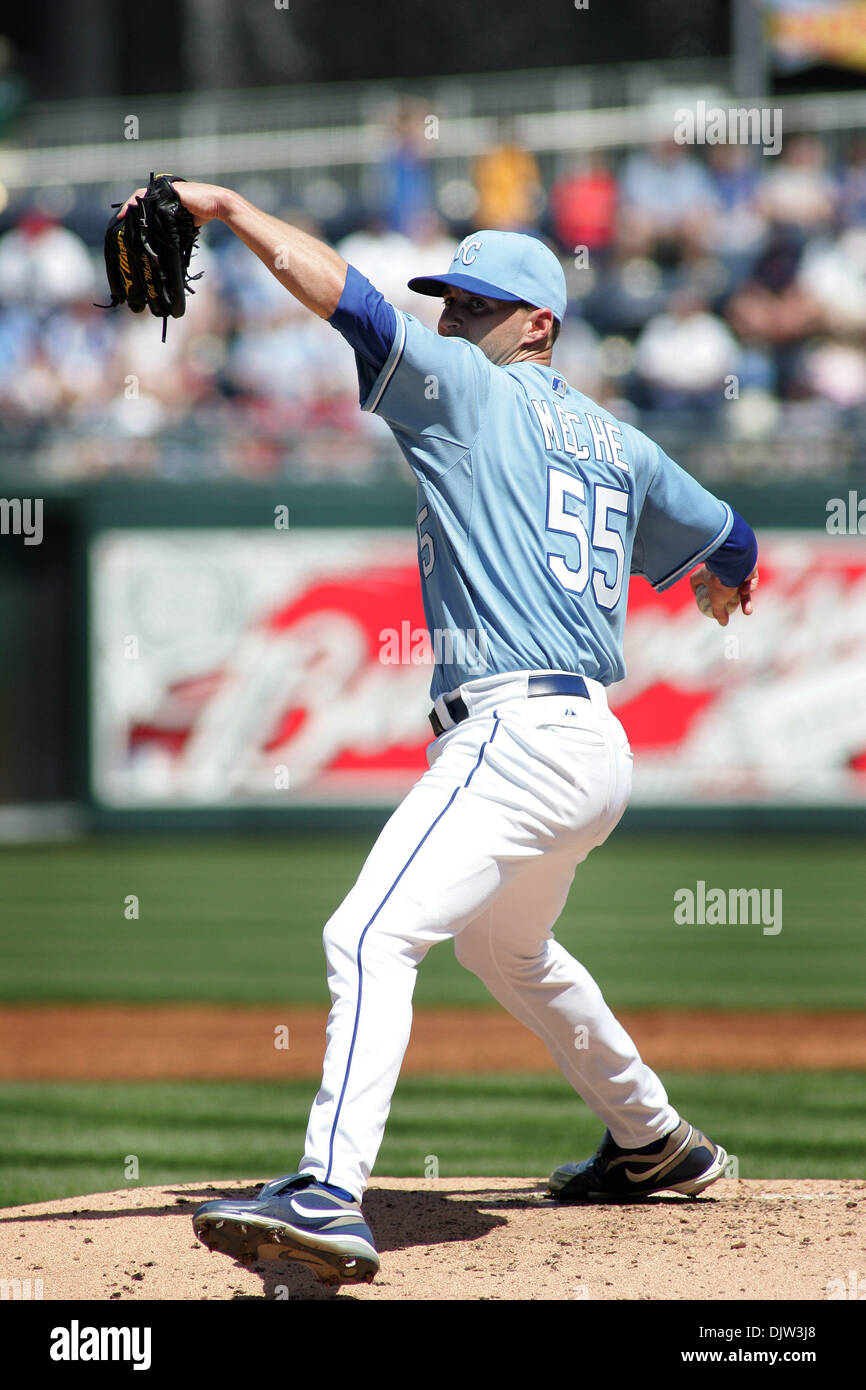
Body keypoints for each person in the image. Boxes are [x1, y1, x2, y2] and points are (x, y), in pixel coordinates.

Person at [115, 181, 758, 1288]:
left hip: (511, 735)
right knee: (506, 950)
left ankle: (325, 1189)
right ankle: (654, 1140)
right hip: (591, 748)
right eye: (448, 303)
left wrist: (226, 207)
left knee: (365, 937)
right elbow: (733, 536)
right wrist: (722, 585)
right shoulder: (617, 440)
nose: (449, 321)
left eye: (471, 304)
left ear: (536, 326)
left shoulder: (468, 387)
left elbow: (351, 304)